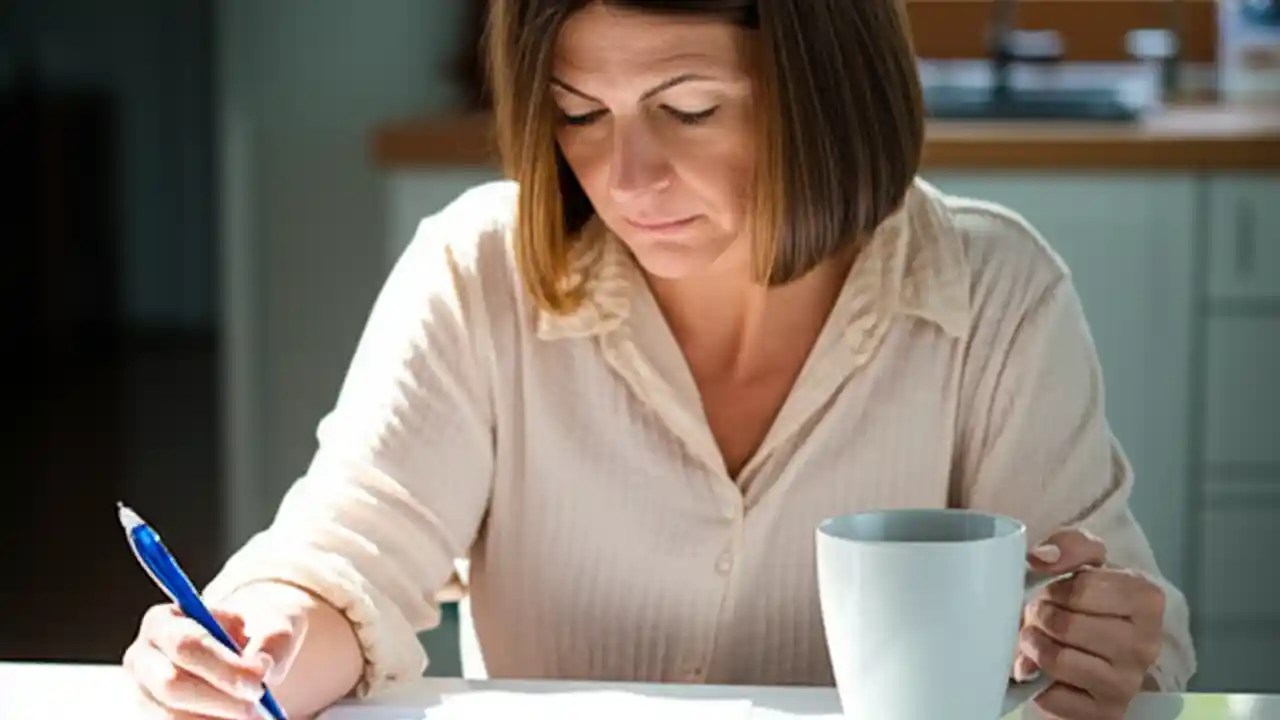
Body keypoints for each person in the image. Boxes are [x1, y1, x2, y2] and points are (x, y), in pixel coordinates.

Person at [123, 1, 1196, 718]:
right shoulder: (476, 269)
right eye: (578, 113)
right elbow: (344, 555)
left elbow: (1125, 639)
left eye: (688, 109)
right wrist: (254, 640)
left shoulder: (992, 294)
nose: (624, 177)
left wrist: (1105, 647)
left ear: (824, 94)